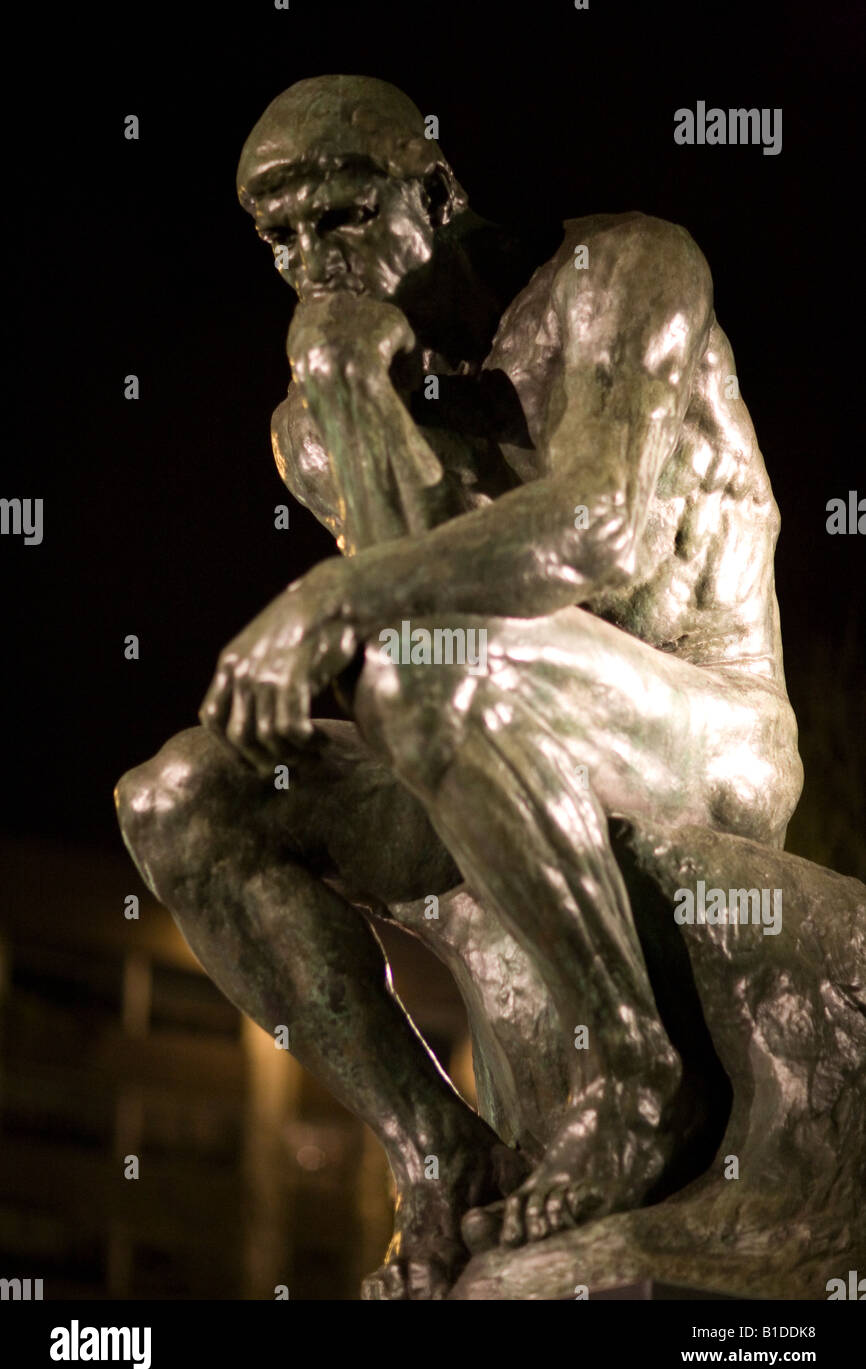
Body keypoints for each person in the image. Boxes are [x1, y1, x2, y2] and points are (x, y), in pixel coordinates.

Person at [115, 75, 803, 1299]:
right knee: (176, 798)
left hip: (700, 725)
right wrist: (338, 382)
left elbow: (604, 526)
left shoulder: (621, 269)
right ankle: (437, 1150)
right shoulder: (320, 413)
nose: (309, 262)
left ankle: (640, 1077)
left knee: (431, 649)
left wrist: (334, 599)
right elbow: (407, 584)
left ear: (433, 190)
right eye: (277, 239)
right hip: (488, 723)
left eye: (339, 217)